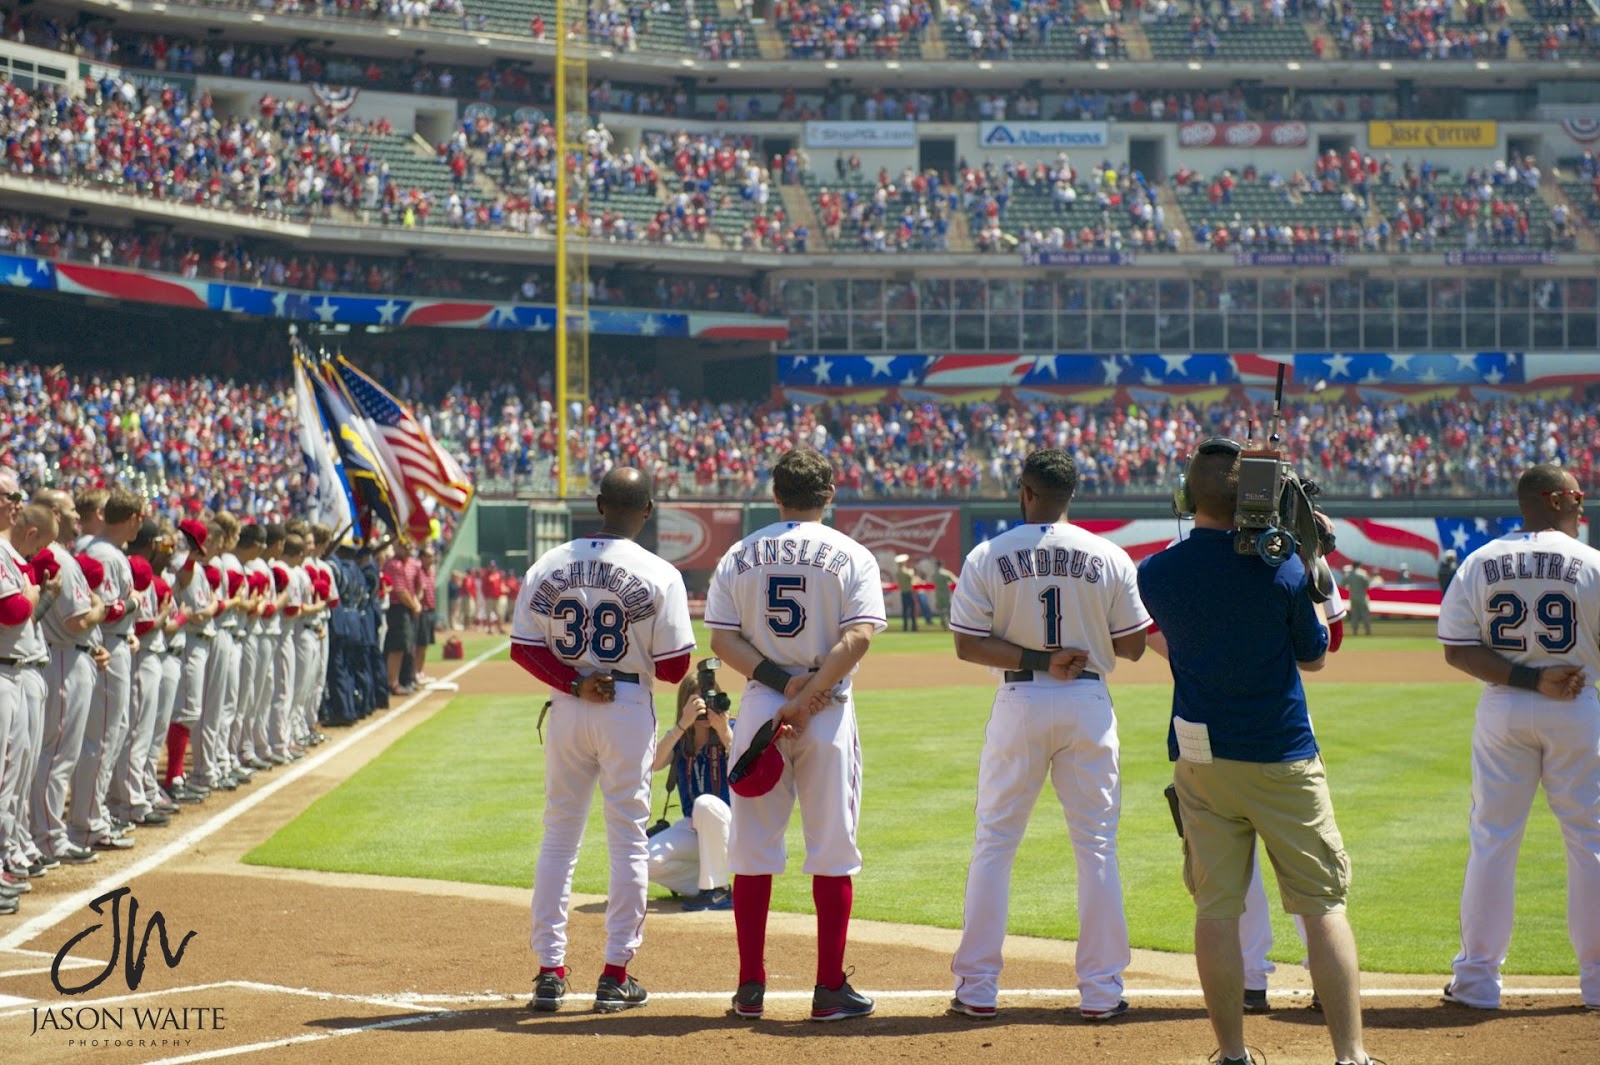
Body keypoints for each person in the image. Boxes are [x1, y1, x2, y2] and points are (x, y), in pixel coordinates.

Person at [1137, 438, 1378, 1065]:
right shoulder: (1283, 567)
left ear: (1187, 497)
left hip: (1202, 760)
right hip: (1281, 754)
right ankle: (1350, 1055)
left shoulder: (1155, 572)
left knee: (1216, 911)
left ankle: (1232, 1053)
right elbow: (1315, 655)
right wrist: (1303, 550)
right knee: (1322, 906)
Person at [945, 448, 1150, 1022]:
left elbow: (967, 644)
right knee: (1097, 845)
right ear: (1071, 495)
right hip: (1088, 701)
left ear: (1025, 491)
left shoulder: (988, 554)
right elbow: (1134, 646)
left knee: (995, 843)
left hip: (1020, 700)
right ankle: (1101, 991)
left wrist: (1039, 657)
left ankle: (978, 988)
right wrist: (1086, 631)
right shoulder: (1108, 554)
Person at [704, 446, 887, 1023]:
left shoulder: (740, 553)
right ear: (829, 494)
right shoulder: (852, 553)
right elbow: (859, 637)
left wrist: (785, 687)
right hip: (827, 707)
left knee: (752, 847)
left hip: (763, 702)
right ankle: (829, 988)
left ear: (775, 494)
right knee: (832, 848)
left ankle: (749, 987)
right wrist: (809, 696)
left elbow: (722, 640)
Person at [511, 468, 695, 1014]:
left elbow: (523, 648)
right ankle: (615, 974)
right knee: (628, 840)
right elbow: (674, 669)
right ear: (647, 510)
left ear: (598, 504)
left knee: (558, 838)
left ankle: (549, 972)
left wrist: (573, 682)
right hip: (627, 707)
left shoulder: (549, 563)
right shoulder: (659, 572)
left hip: (568, 706)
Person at [1437, 464, 1598, 1012]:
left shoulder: (1480, 560)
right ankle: (1598, 982)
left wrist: (1529, 679)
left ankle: (1477, 982)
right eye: (1576, 494)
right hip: (1577, 701)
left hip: (1504, 704)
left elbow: (1457, 649)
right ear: (1553, 499)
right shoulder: (1591, 562)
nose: (1582, 501)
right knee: (1590, 840)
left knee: (1493, 839)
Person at [30, 489, 109, 865]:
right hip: (63, 658)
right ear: (53, 513)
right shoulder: (57, 557)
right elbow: (77, 621)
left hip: (67, 655)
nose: (77, 515)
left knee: (55, 752)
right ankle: (48, 837)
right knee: (57, 754)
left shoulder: (58, 555)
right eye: (70, 509)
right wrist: (101, 608)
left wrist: (94, 646)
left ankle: (44, 834)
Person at [647, 661, 734, 912]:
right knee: (645, 861)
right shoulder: (681, 737)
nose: (706, 709)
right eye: (699, 703)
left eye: (711, 700)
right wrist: (682, 724)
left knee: (706, 804)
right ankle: (709, 885)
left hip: (733, 826)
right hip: (694, 828)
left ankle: (717, 889)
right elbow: (653, 763)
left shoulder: (732, 730)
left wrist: (724, 731)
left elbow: (747, 763)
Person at [1342, 562, 1375, 636]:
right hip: (1362, 597)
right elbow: (1367, 584)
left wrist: (1351, 587)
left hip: (1353, 597)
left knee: (1354, 615)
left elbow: (1343, 584)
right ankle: (1367, 630)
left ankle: (1355, 631)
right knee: (1365, 614)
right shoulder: (1363, 573)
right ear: (1359, 566)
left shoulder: (1349, 574)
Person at [932, 558, 958, 629]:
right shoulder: (945, 573)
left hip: (938, 593)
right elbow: (955, 581)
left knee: (941, 609)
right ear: (942, 565)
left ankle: (943, 623)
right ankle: (951, 623)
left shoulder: (934, 574)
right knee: (949, 609)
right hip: (945, 593)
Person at [895, 554, 918, 631]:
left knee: (905, 611)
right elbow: (912, 579)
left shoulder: (898, 573)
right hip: (909, 592)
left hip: (903, 593)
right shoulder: (907, 572)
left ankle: (905, 627)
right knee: (912, 610)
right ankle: (914, 626)